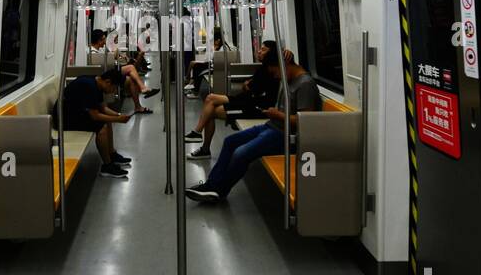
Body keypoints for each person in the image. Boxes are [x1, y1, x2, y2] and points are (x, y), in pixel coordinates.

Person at [185, 49, 321, 202]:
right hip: (272, 126)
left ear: (284, 66)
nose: (276, 76)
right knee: (230, 142)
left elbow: (307, 120)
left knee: (241, 153)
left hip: (285, 135)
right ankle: (211, 184)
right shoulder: (289, 78)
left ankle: (218, 190)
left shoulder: (305, 85)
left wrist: (278, 115)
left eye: (275, 72)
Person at [184, 39, 278, 158]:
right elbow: (250, 84)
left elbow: (254, 88)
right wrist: (248, 84)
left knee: (211, 111)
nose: (259, 51)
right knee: (210, 98)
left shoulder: (270, 70)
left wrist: (248, 84)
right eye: (260, 49)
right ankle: (198, 134)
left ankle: (204, 146)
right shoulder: (264, 68)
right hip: (245, 100)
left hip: (254, 106)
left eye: (263, 50)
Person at [60, 67, 134, 178]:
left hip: (74, 112)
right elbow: (95, 116)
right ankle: (107, 166)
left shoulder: (96, 82)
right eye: (114, 88)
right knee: (101, 129)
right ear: (108, 82)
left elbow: (103, 108)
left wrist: (118, 115)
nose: (113, 91)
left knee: (106, 120)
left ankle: (111, 154)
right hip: (64, 118)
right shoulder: (89, 86)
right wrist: (118, 120)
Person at [89, 28, 157, 113]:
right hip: (105, 74)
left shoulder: (101, 49)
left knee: (131, 78)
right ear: (99, 40)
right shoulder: (92, 52)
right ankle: (142, 88)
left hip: (110, 69)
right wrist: (116, 53)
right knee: (131, 67)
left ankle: (138, 103)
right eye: (103, 39)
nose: (105, 41)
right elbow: (108, 60)